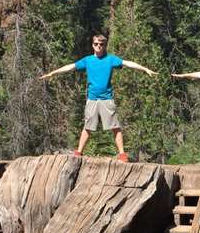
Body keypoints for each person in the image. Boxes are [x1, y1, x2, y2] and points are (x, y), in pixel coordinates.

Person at [40, 34, 157, 162]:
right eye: (96, 44)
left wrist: (145, 69)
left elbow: (127, 63)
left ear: (104, 46)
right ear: (92, 45)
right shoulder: (88, 60)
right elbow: (71, 66)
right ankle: (78, 152)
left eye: (101, 44)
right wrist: (53, 73)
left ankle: (122, 155)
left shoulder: (110, 59)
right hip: (92, 99)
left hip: (107, 99)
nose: (98, 46)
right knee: (88, 126)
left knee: (115, 126)